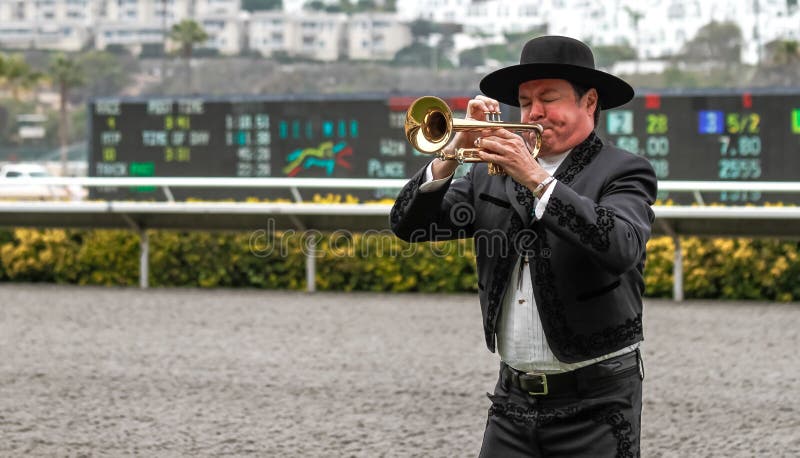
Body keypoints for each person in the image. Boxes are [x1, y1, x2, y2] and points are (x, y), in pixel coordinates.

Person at [390, 35, 657, 457]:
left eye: (548, 99)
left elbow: (620, 246)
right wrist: (452, 152)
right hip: (511, 400)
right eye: (525, 101)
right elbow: (410, 225)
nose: (534, 112)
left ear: (589, 102)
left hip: (599, 401)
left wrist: (535, 178)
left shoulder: (624, 170)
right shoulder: (488, 173)